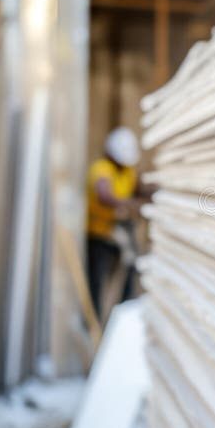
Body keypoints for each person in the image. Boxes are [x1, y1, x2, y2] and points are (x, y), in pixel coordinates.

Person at [86, 126, 143, 315]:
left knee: (129, 272)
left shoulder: (127, 171)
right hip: (99, 235)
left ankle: (122, 314)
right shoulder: (101, 169)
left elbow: (139, 188)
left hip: (118, 233)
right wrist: (128, 204)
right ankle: (93, 320)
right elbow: (104, 195)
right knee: (97, 280)